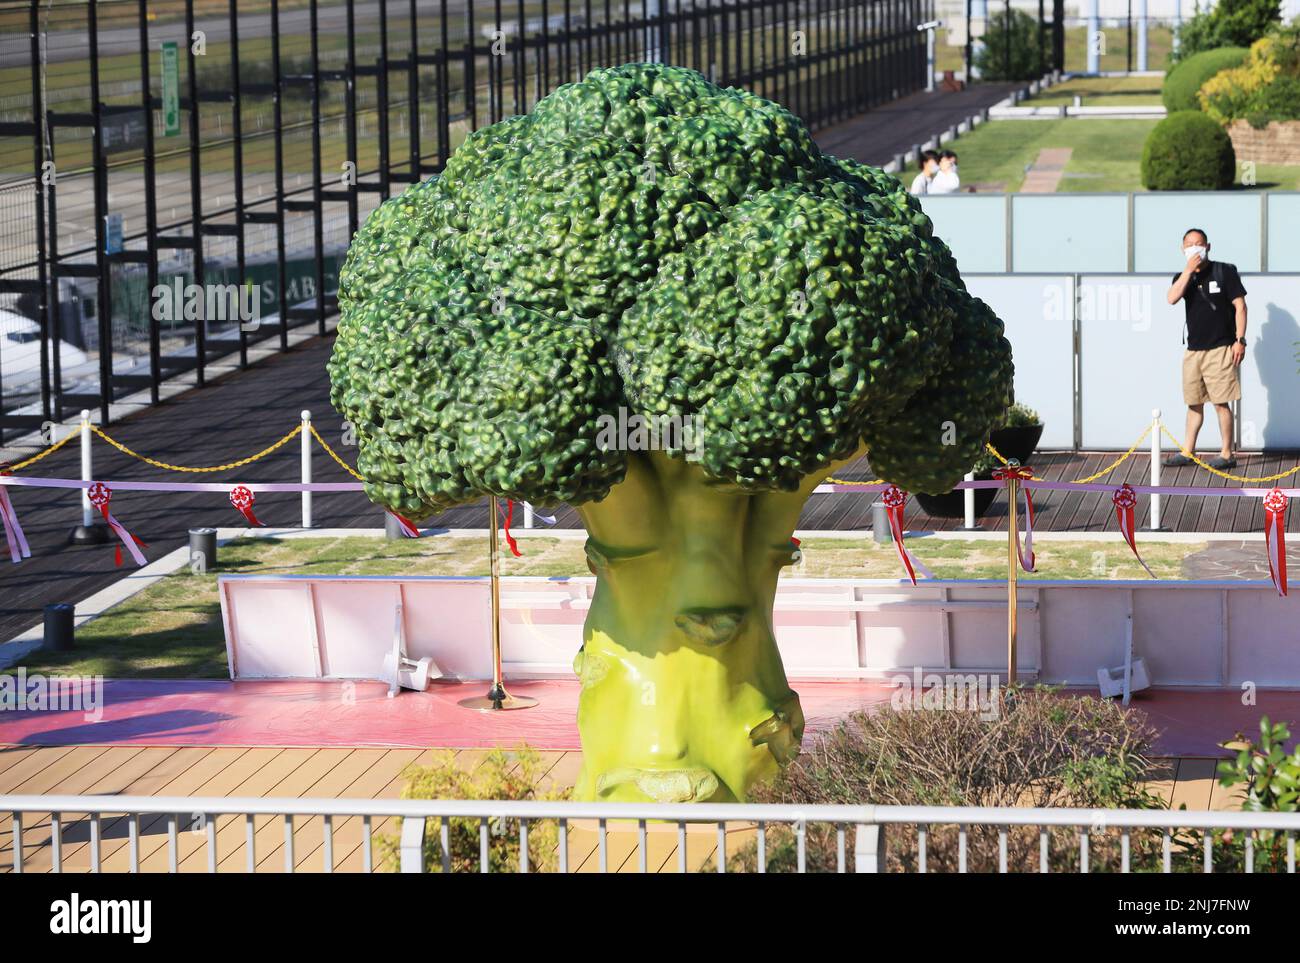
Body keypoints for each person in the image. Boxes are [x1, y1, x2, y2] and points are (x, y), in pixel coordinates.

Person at [1164, 228, 1248, 470]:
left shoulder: (1224, 271)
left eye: (1199, 243)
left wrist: (1240, 340)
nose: (1195, 248)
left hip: (1220, 348)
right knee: (1194, 403)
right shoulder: (1183, 277)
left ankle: (1227, 454)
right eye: (1189, 244)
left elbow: (1241, 306)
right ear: (1183, 249)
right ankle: (1188, 451)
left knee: (1221, 403)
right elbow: (1171, 298)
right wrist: (1188, 270)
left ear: (1208, 247)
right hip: (1193, 351)